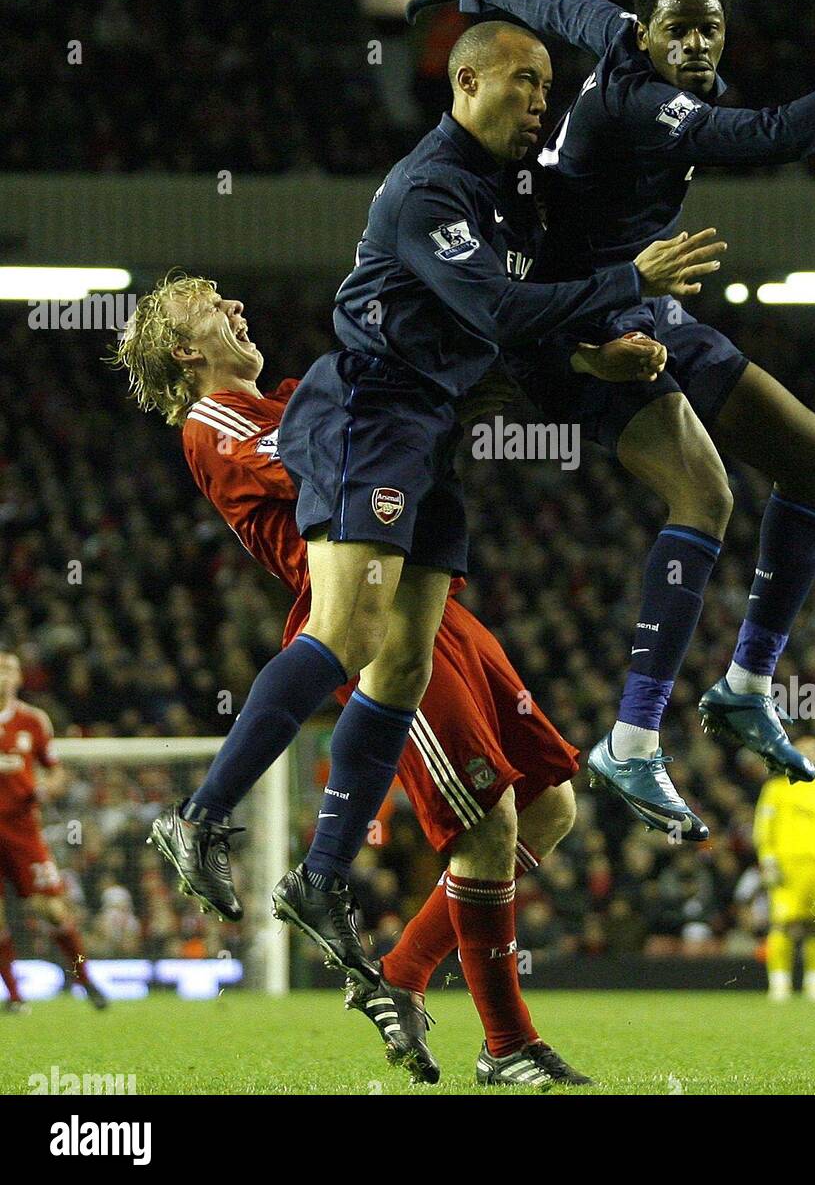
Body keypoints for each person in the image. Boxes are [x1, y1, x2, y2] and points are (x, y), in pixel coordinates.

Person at [136, 20, 722, 968]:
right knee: (351, 640)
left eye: (547, 84)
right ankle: (200, 815)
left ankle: (322, 874)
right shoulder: (427, 190)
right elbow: (479, 312)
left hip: (429, 430)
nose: (542, 99)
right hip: (381, 414)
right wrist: (628, 280)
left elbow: (484, 324)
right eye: (524, 81)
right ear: (464, 81)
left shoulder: (499, 194)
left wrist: (584, 351)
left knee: (396, 671)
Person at [384, 0, 815, 834]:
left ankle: (744, 687)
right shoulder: (642, 102)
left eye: (710, 31)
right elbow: (779, 136)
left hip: (648, 303)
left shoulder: (614, 29)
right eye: (680, 32)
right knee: (704, 495)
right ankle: (630, 740)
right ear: (650, 39)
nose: (697, 47)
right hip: (586, 318)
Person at [115, 286, 706, 1078]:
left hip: (438, 609)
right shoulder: (212, 423)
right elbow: (333, 469)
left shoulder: (293, 399)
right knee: (488, 825)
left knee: (548, 806)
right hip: (377, 621)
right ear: (184, 351)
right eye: (207, 304)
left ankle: (402, 973)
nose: (233, 303)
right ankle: (506, 1044)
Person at [0, 652, 107, 1012]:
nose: (3, 676)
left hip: (23, 829)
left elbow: (55, 769)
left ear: (18, 678)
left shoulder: (33, 721)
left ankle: (87, 980)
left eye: (9, 670)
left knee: (52, 909)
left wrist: (48, 787)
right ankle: (15, 997)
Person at [754, 736, 815, 1002]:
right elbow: (763, 828)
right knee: (784, 924)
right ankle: (779, 983)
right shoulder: (776, 790)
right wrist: (768, 860)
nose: (811, 756)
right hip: (788, 866)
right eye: (805, 751)